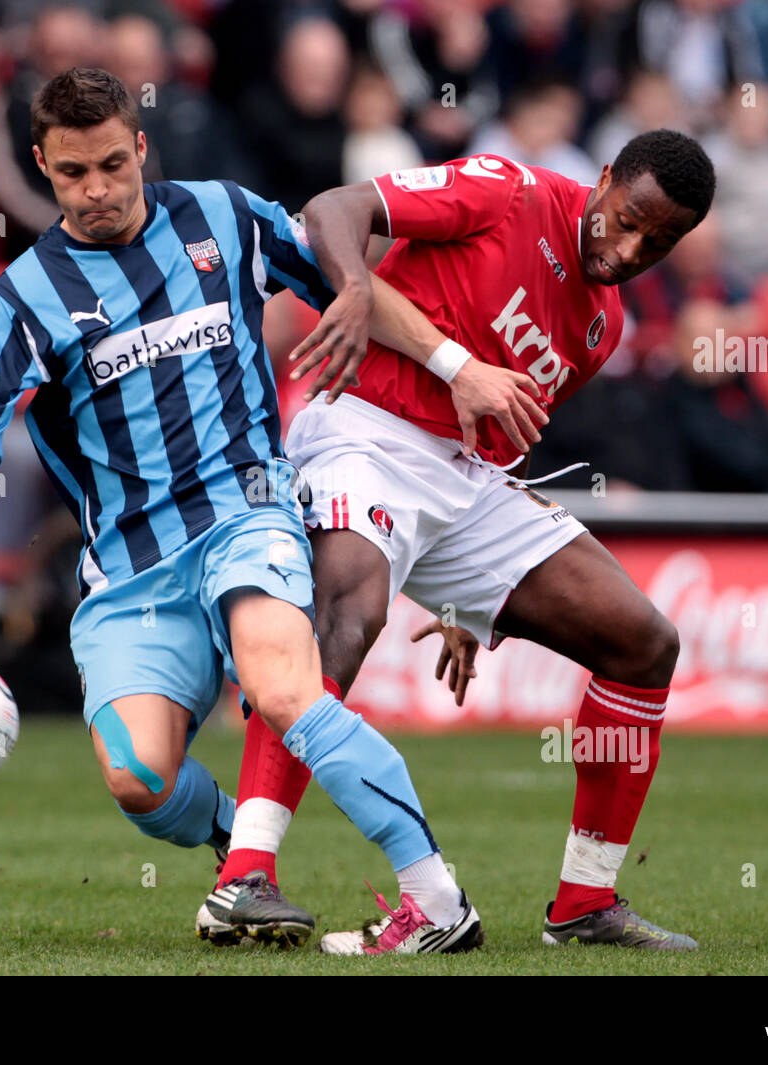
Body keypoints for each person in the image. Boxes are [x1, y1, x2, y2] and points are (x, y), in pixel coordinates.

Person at [0, 68, 512, 954]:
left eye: (112, 164)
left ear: (142, 147)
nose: (97, 190)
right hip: (133, 565)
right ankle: (240, 852)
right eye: (72, 175)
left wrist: (456, 367)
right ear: (41, 167)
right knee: (141, 779)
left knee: (283, 688)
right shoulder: (24, 295)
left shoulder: (224, 216)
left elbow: (355, 295)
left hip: (248, 512)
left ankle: (437, 897)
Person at [220, 130, 717, 953]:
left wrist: (461, 597)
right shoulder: (506, 190)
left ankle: (584, 904)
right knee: (344, 620)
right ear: (600, 181)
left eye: (656, 243)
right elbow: (331, 211)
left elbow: (495, 437)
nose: (628, 249)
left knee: (645, 642)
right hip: (364, 429)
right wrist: (403, 325)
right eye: (624, 220)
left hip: (462, 476)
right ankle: (245, 874)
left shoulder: (602, 328)